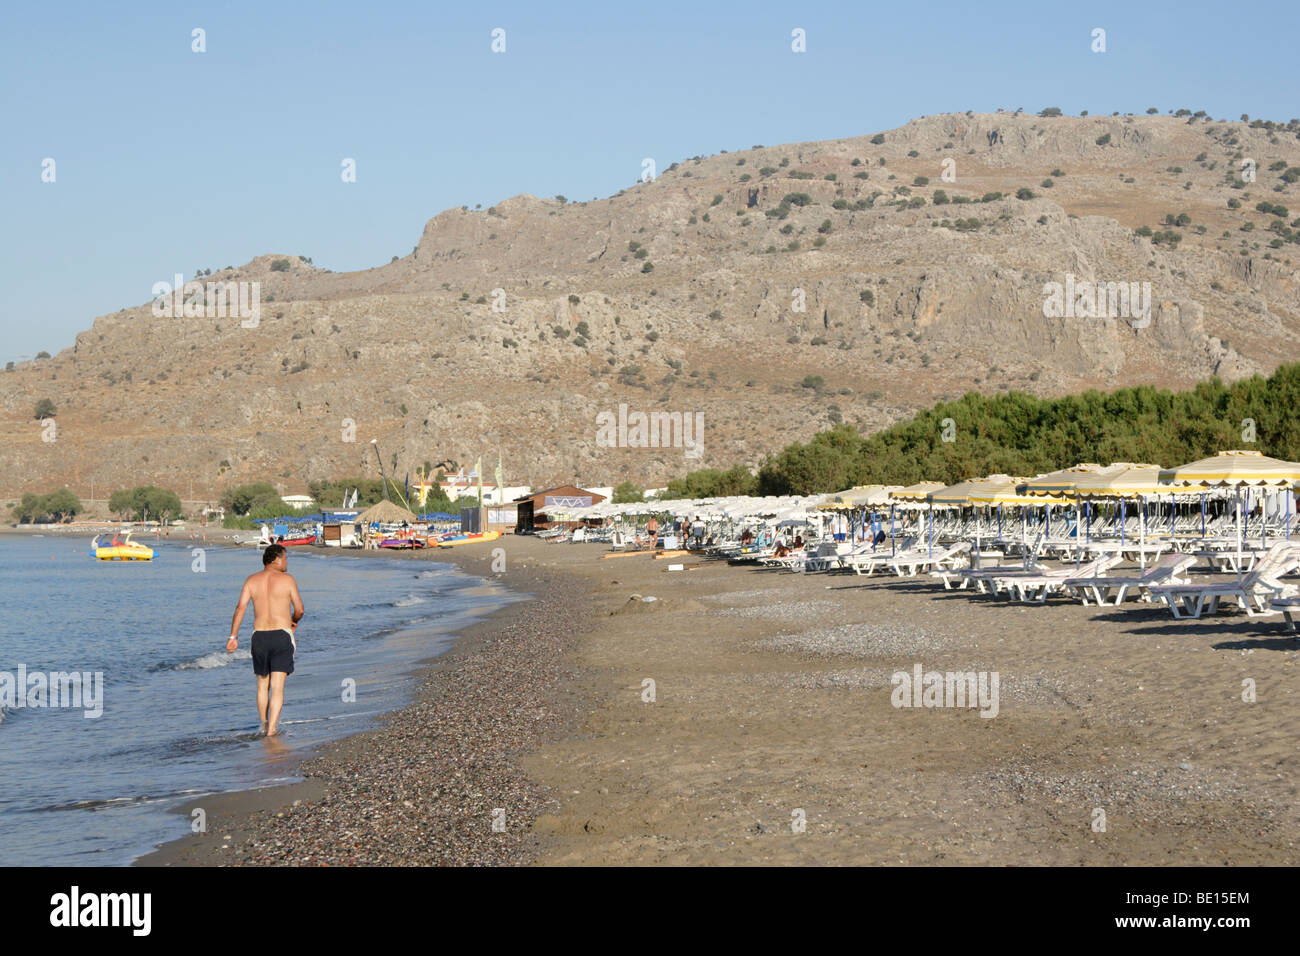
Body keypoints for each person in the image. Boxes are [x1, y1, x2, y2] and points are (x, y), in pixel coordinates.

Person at [226, 544, 304, 737]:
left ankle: (263, 724)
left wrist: (233, 636)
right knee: (277, 686)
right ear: (275, 559)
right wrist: (294, 621)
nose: (286, 562)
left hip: (259, 636)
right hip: (281, 635)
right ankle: (272, 730)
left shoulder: (251, 580)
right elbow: (300, 609)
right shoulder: (287, 580)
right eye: (285, 558)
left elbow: (240, 608)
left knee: (262, 685)